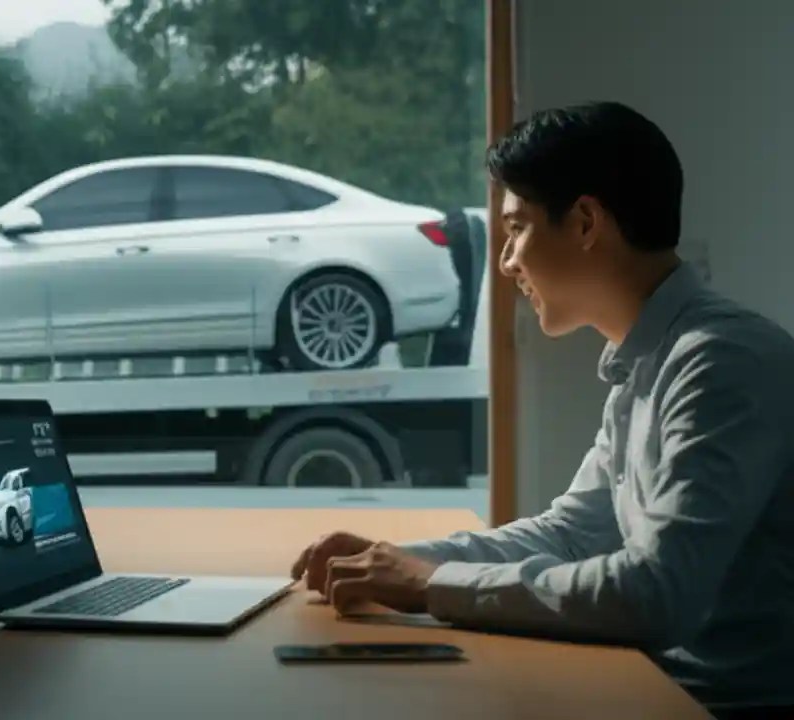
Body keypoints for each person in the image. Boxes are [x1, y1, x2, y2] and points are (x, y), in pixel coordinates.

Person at [289, 101, 794, 717]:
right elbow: (574, 532)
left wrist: (429, 584)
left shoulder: (720, 361)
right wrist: (402, 561)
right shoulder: (652, 360)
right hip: (653, 689)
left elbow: (658, 595)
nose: (506, 264)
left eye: (516, 230)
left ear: (585, 222)